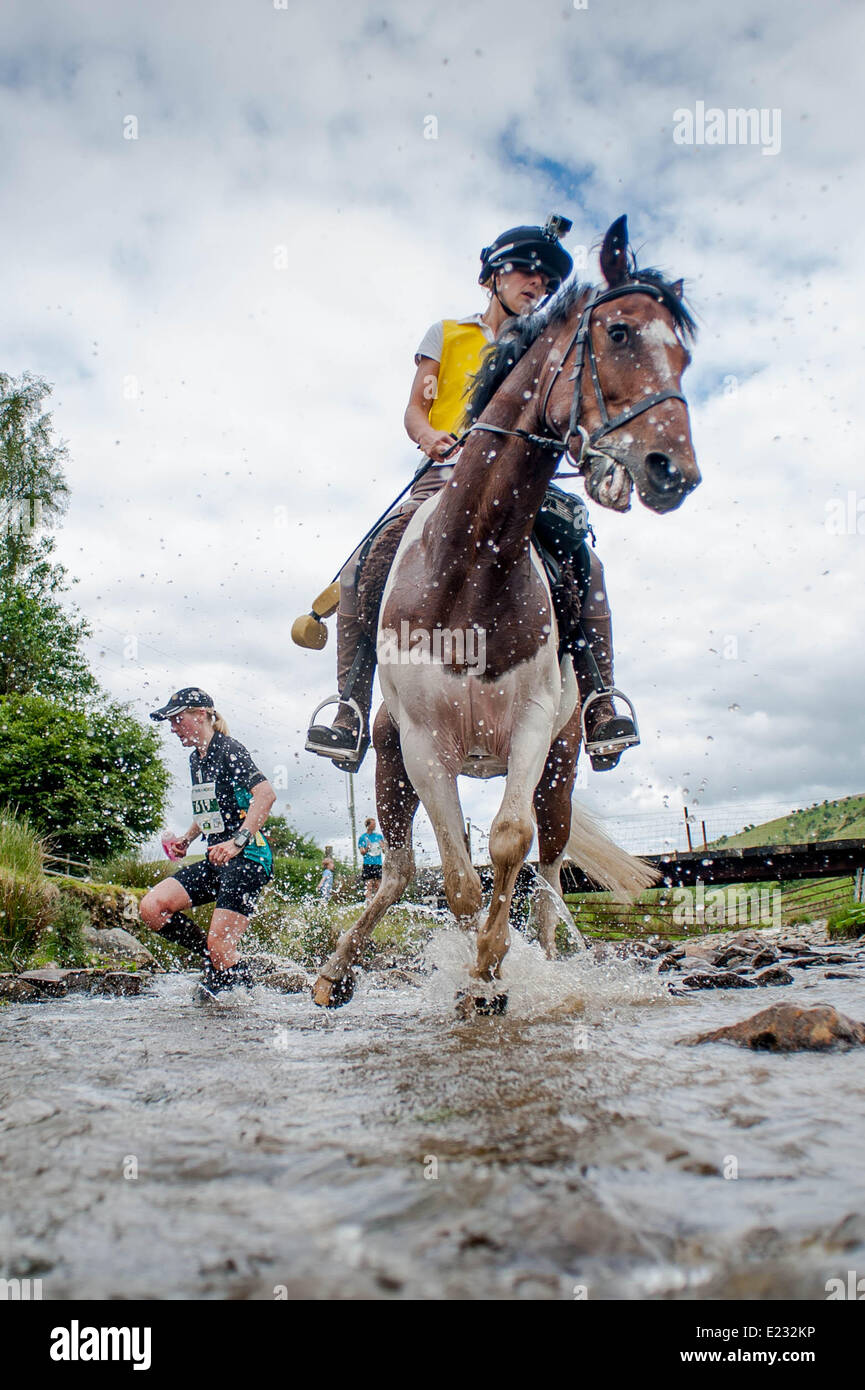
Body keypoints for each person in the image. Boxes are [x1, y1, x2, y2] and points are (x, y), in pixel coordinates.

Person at [305, 217, 637, 773]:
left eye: (548, 279)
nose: (538, 283)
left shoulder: (547, 345)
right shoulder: (448, 334)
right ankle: (351, 711)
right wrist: (428, 435)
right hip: (444, 476)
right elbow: (416, 406)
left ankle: (601, 699)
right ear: (492, 276)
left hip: (522, 488)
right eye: (526, 270)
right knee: (363, 568)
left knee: (588, 565)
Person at [139, 687, 276, 997]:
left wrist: (236, 843)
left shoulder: (230, 749)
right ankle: (216, 962)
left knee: (221, 944)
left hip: (249, 859)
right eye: (170, 722)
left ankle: (241, 993)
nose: (173, 728)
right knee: (152, 908)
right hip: (217, 859)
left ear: (201, 715)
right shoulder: (196, 760)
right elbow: (208, 810)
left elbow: (265, 796)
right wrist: (187, 839)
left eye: (177, 720)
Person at [357, 817, 384, 902]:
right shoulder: (363, 837)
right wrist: (367, 848)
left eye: (375, 824)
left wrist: (383, 846)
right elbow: (362, 852)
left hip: (378, 863)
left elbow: (384, 850)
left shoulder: (379, 836)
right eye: (373, 824)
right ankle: (368, 902)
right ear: (368, 825)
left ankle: (377, 902)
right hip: (368, 863)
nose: (375, 826)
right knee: (369, 885)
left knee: (378, 885)